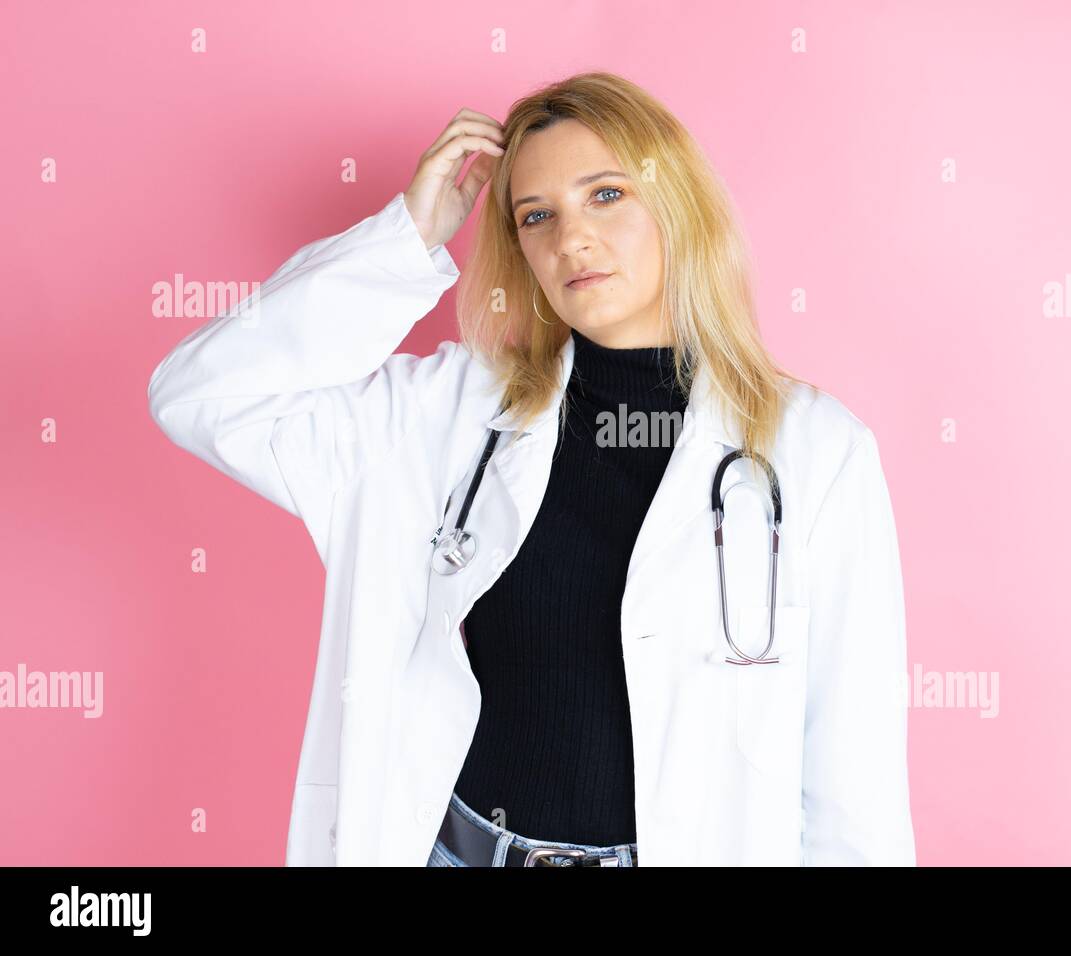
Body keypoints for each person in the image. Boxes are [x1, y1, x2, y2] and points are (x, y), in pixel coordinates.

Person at [148, 71, 916, 867]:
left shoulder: (816, 452)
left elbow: (852, 781)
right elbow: (201, 394)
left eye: (606, 195)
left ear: (675, 203)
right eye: (536, 215)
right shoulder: (445, 415)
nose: (570, 239)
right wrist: (404, 240)